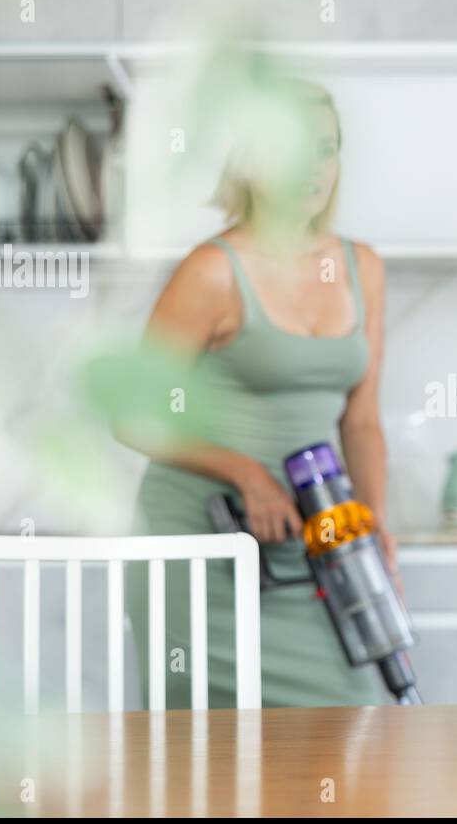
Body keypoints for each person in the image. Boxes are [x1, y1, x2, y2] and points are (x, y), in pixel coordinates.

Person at [115, 77, 397, 708]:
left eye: (327, 148)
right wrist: (243, 470)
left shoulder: (362, 268)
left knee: (352, 728)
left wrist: (374, 524)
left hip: (316, 544)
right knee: (208, 767)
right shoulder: (213, 270)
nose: (315, 168)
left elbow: (361, 422)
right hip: (201, 548)